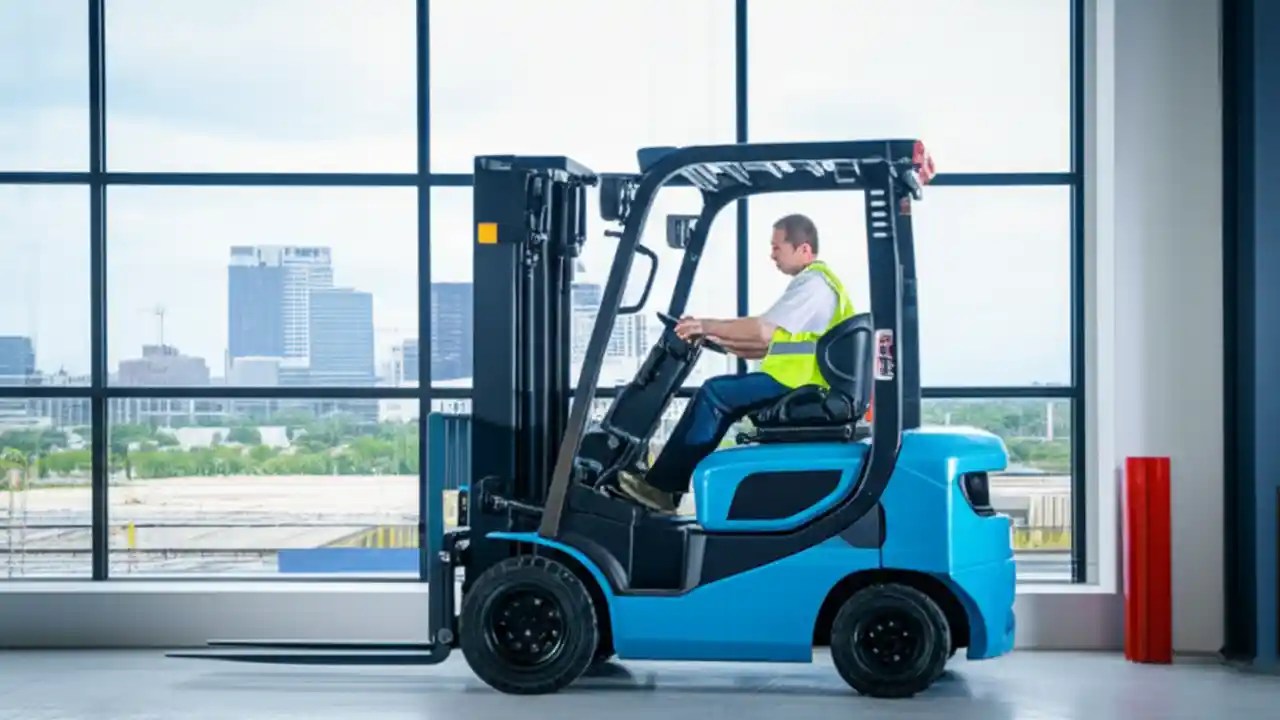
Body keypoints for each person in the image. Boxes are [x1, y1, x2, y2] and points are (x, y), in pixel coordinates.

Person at [615, 213, 855, 513]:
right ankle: (663, 484)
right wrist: (715, 339)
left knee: (715, 395)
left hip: (802, 387)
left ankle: (663, 488)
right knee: (720, 392)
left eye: (777, 247)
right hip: (798, 383)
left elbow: (761, 332)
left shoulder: (813, 285)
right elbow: (760, 344)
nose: (771, 254)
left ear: (803, 250)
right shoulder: (815, 285)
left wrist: (705, 325)